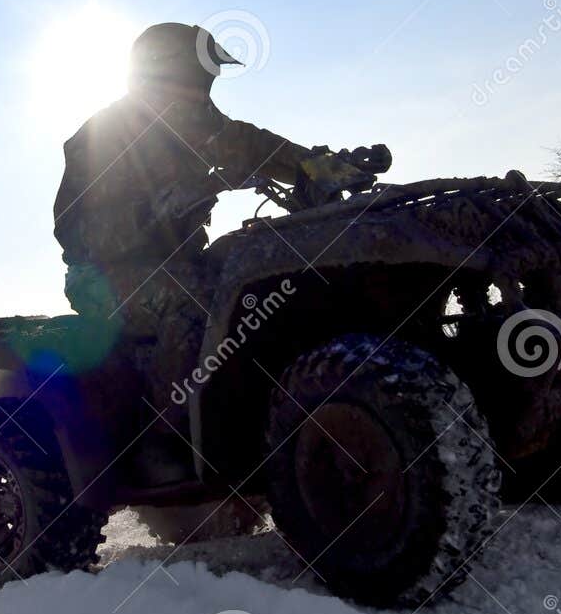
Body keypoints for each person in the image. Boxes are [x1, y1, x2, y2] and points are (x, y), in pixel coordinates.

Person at [52, 21, 375, 416]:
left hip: (182, 262)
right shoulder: (104, 136)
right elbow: (74, 233)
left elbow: (270, 151)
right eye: (195, 75)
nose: (204, 86)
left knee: (260, 276)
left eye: (208, 76)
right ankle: (174, 431)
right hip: (103, 277)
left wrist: (329, 168)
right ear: (161, 74)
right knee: (196, 301)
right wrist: (155, 211)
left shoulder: (213, 130)